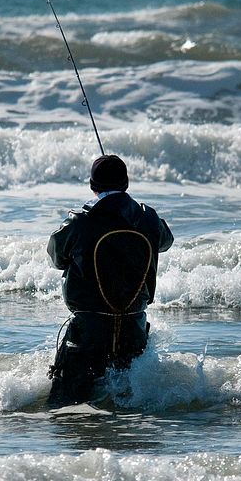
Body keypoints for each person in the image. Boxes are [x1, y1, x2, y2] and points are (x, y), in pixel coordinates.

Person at [47, 154, 173, 405]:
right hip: (133, 327)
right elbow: (166, 242)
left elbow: (56, 258)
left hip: (88, 332)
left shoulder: (79, 221)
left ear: (93, 186)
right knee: (132, 407)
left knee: (65, 407)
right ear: (126, 183)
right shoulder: (148, 219)